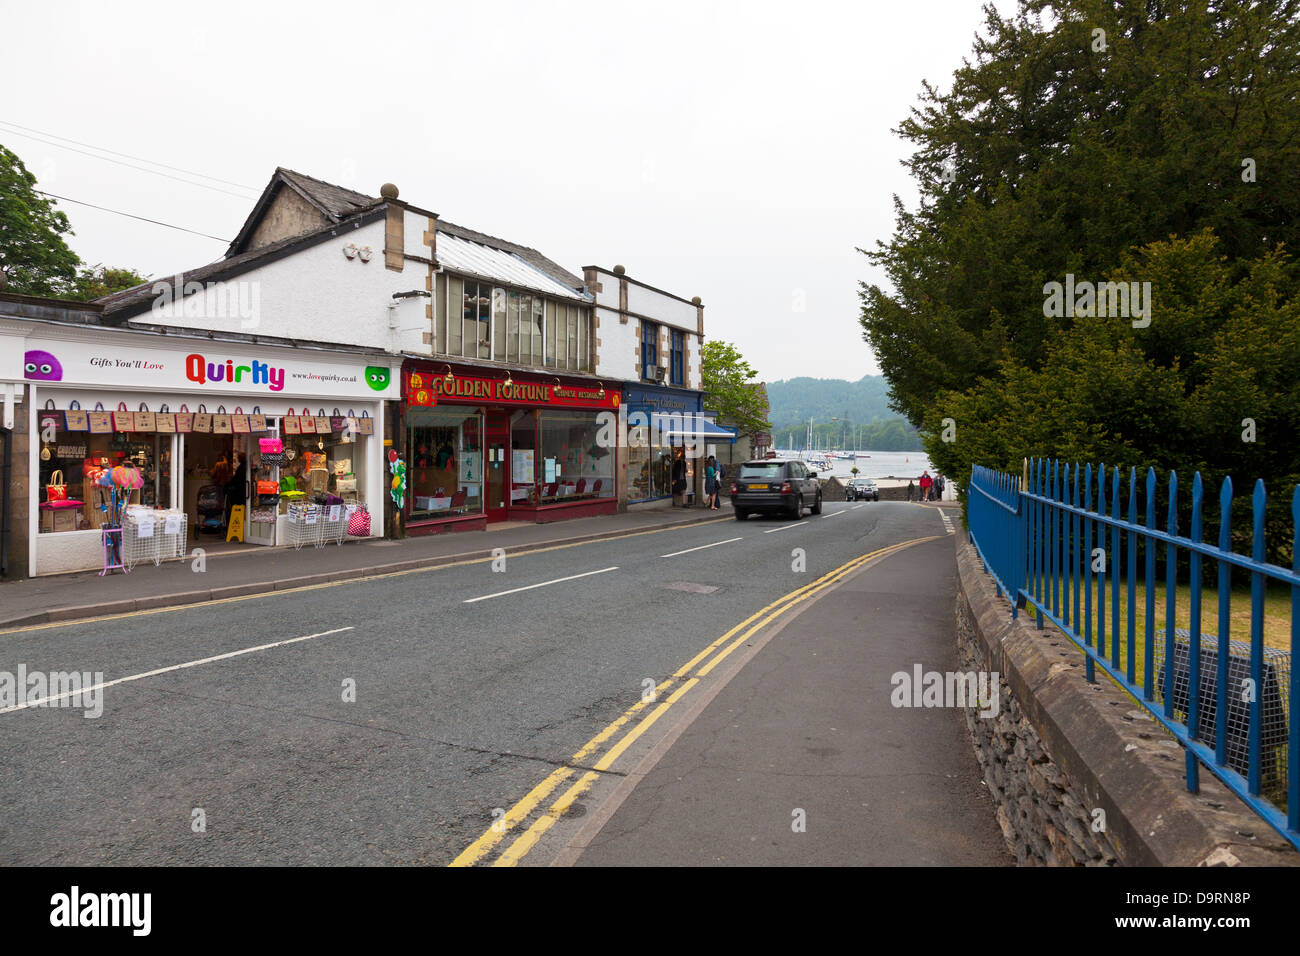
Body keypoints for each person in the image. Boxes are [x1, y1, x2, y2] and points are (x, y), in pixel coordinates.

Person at [225, 451, 248, 530]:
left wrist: (229, 485)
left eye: (239, 457)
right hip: (242, 491)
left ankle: (234, 525)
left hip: (239, 492)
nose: (238, 459)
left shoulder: (242, 467)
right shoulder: (243, 467)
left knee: (235, 507)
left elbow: (236, 480)